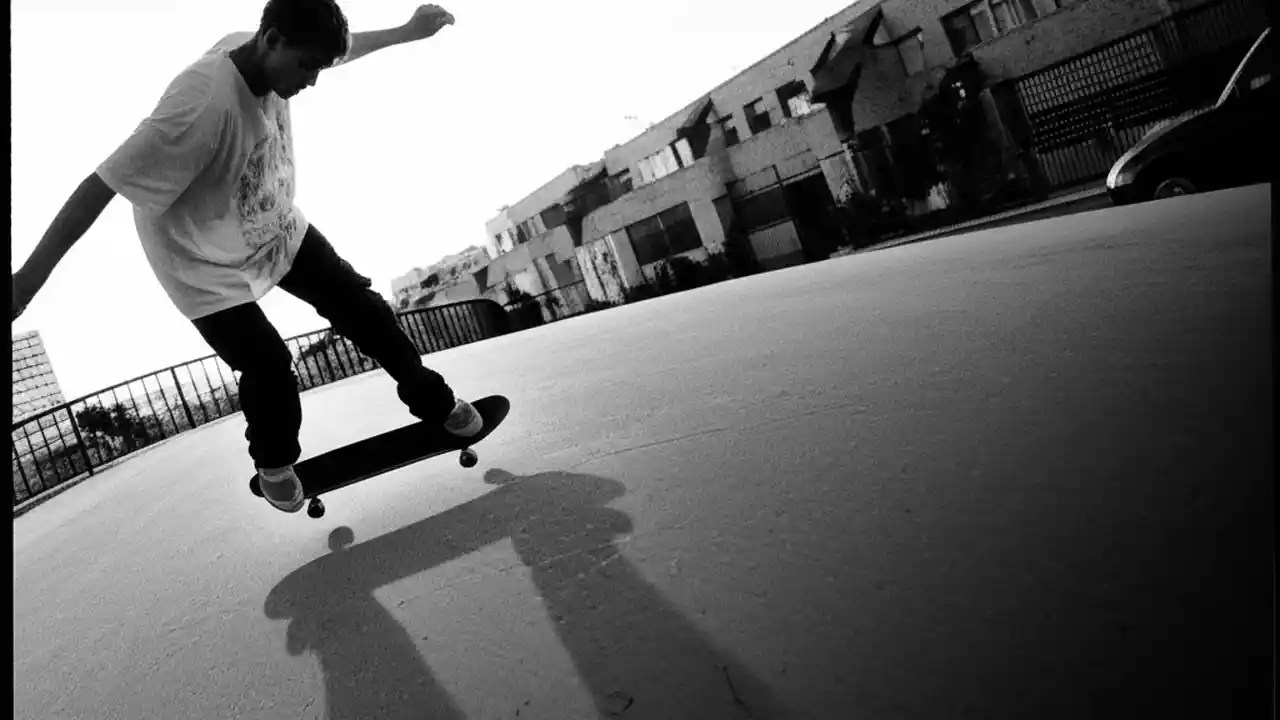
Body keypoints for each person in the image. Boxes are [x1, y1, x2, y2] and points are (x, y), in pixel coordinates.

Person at [10, 1, 482, 514]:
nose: (313, 82)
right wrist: (27, 282)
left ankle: (433, 401)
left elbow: (343, 52)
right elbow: (99, 186)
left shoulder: (269, 46)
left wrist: (410, 32)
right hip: (197, 256)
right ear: (273, 40)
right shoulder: (199, 102)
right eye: (306, 67)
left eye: (318, 68)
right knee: (270, 366)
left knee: (360, 306)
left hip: (269, 221)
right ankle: (275, 461)